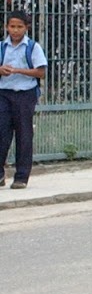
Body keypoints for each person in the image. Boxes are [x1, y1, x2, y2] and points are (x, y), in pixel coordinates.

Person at [0, 12, 48, 189]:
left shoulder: (33, 47)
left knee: (24, 134)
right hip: (4, 93)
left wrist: (19, 71)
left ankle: (21, 176)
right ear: (6, 27)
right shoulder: (2, 47)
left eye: (19, 27)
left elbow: (41, 72)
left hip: (25, 95)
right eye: (12, 26)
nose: (15, 30)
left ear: (26, 28)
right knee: (2, 133)